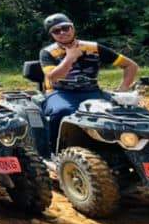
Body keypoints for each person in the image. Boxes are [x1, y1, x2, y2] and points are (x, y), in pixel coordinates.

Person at [38, 12, 139, 158]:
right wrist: (70, 58)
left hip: (92, 91)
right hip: (60, 93)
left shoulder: (94, 48)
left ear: (72, 28)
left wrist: (123, 89)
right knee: (62, 112)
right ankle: (54, 152)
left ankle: (127, 149)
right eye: (56, 31)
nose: (62, 33)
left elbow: (131, 66)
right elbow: (54, 77)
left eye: (65, 28)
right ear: (51, 35)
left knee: (126, 111)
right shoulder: (47, 52)